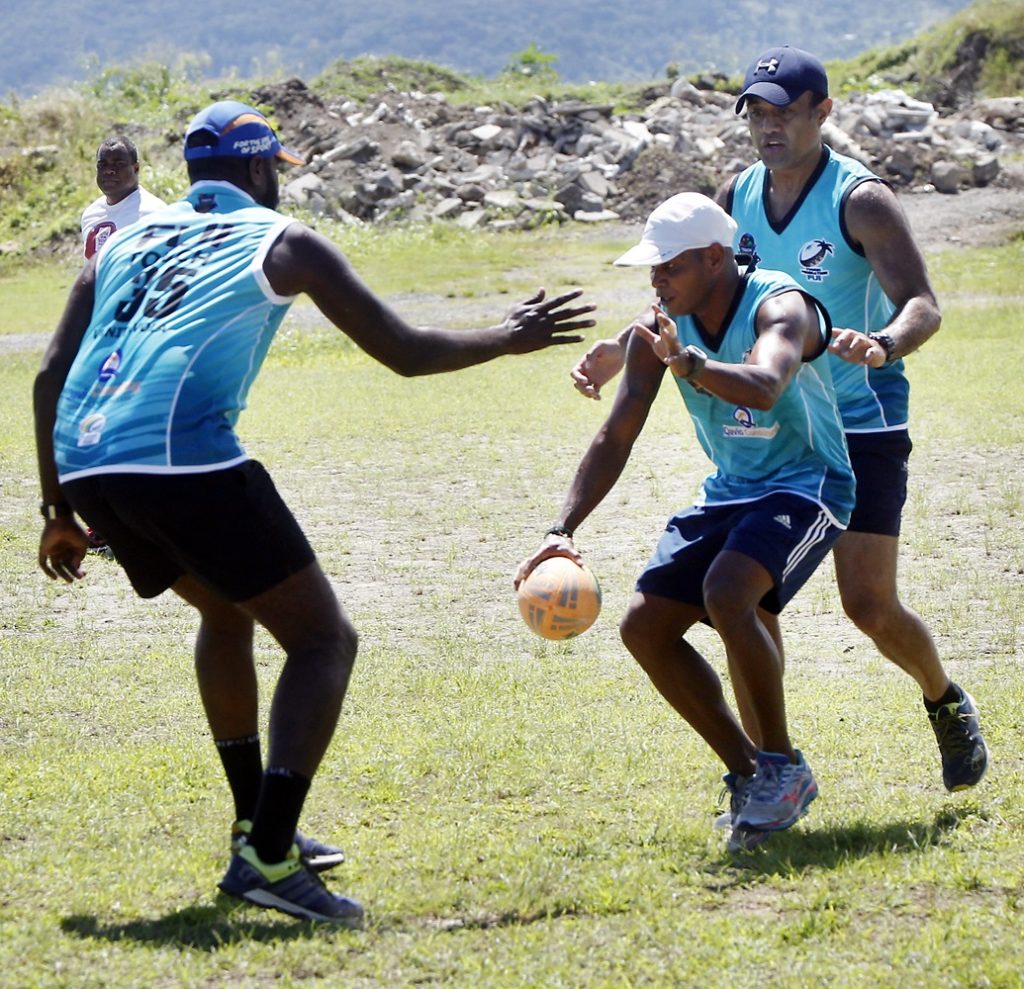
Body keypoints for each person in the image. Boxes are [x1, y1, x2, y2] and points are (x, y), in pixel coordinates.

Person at [35, 100, 595, 925]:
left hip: (88, 464)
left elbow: (49, 375)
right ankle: (268, 855)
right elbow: (405, 351)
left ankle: (252, 823)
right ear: (260, 168)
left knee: (226, 611)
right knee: (324, 639)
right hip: (181, 460)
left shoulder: (121, 242)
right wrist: (507, 337)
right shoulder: (283, 241)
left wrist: (55, 507)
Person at [569, 46, 988, 794]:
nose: (768, 126)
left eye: (783, 112)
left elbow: (923, 302)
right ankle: (771, 777)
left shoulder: (861, 199)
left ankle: (944, 699)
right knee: (747, 601)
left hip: (858, 420)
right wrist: (622, 345)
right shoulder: (737, 193)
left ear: (822, 112)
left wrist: (885, 343)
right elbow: (693, 282)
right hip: (776, 425)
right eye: (756, 113)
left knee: (868, 604)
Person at [517, 192, 855, 851]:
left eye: (670, 266)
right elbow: (617, 433)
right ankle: (749, 772)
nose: (658, 280)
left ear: (715, 258)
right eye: (653, 269)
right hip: (731, 491)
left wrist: (692, 364)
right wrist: (562, 530)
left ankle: (783, 768)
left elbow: (766, 386)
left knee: (727, 593)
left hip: (809, 483)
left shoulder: (780, 305)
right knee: (644, 627)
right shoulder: (660, 329)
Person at [81, 136, 167, 259]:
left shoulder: (154, 213)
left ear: (136, 168)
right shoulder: (90, 214)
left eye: (119, 164)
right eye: (102, 165)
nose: (109, 171)